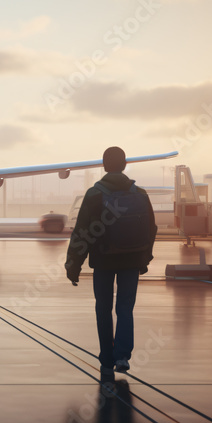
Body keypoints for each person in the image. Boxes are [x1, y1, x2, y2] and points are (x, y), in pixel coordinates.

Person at [65, 147, 157, 376]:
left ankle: (107, 357)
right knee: (125, 308)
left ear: (104, 166)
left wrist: (73, 265)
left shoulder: (95, 195)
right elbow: (151, 229)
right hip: (132, 260)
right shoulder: (141, 194)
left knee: (103, 308)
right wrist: (144, 258)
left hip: (104, 260)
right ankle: (123, 356)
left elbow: (82, 233)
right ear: (125, 165)